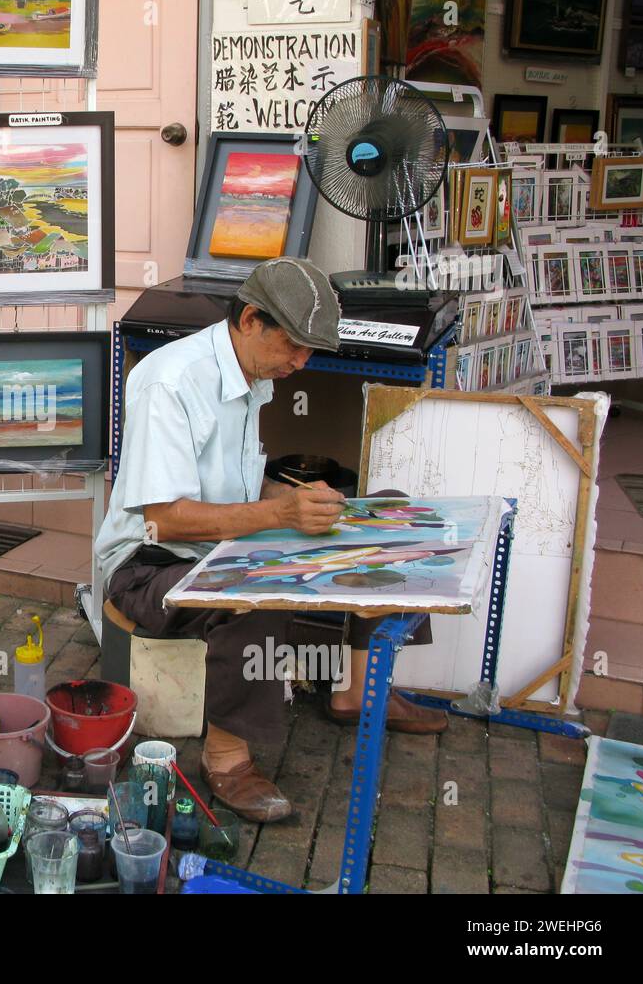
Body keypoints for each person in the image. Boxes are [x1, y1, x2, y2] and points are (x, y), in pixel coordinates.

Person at [95, 257, 447, 824]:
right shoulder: (170, 382)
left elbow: (229, 484)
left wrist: (307, 503)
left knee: (380, 514)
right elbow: (165, 518)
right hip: (147, 562)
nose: (302, 363)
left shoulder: (251, 370)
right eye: (295, 346)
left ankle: (355, 690)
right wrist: (278, 511)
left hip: (207, 540)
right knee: (255, 591)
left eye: (310, 350)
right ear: (252, 319)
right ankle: (227, 757)